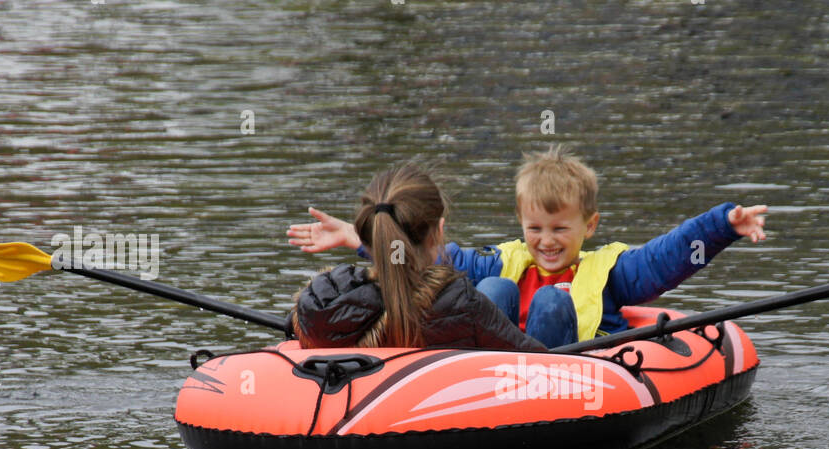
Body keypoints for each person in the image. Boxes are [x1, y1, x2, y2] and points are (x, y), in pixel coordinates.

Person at [288, 146, 768, 347]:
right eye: (535, 228)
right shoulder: (504, 259)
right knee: (491, 288)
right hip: (490, 377)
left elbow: (666, 256)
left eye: (560, 229)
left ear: (589, 226)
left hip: (565, 377)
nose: (546, 241)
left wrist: (721, 225)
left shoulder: (610, 271)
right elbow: (424, 254)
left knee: (552, 299)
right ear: (522, 224)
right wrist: (362, 240)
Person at [286, 164, 544, 352]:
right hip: (456, 418)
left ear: (370, 237)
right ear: (438, 232)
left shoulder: (319, 304)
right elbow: (536, 360)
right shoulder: (461, 303)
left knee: (500, 289)